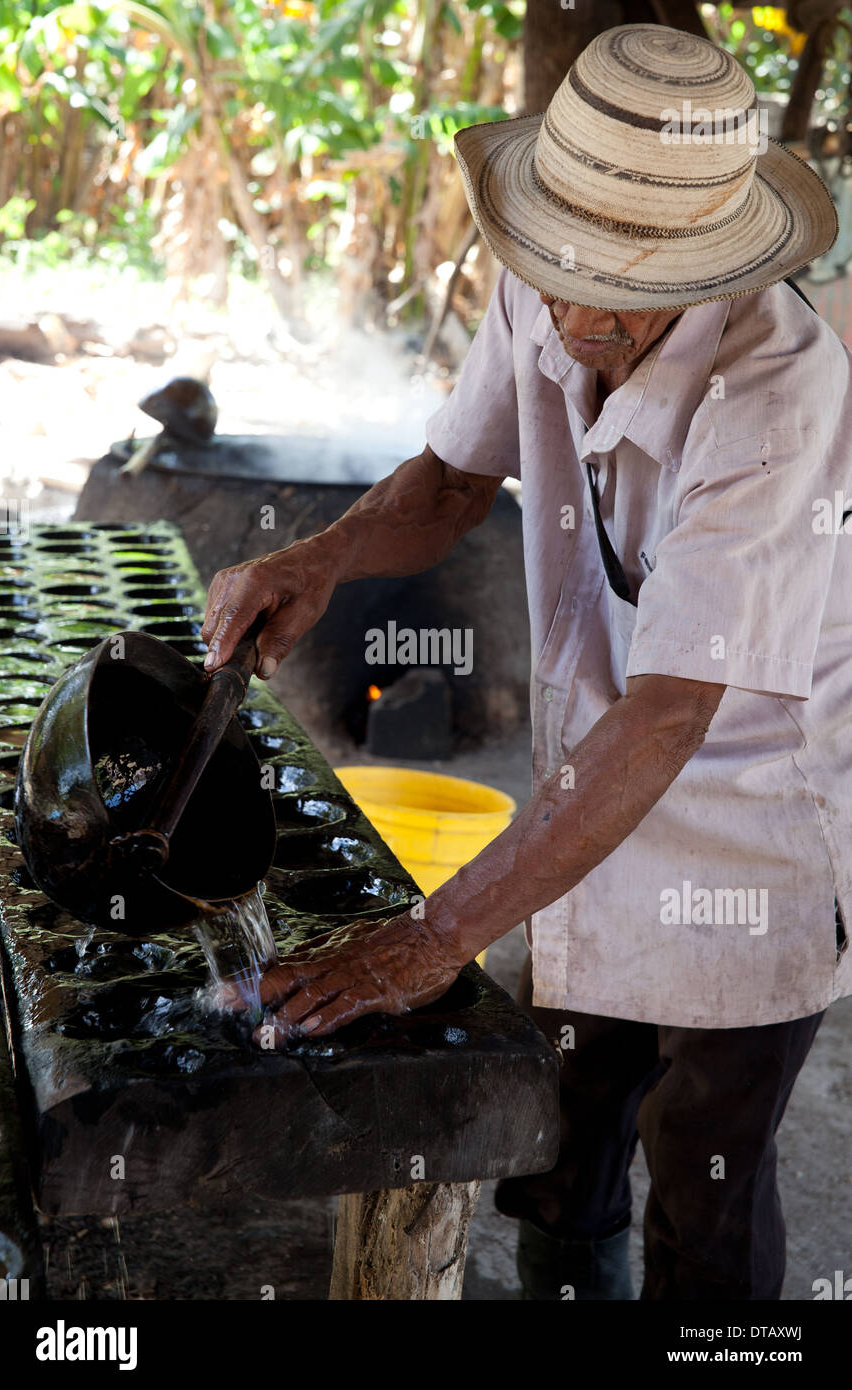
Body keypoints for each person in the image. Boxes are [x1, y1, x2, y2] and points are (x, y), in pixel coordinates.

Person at [202, 24, 852, 1300]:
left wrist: (433, 933)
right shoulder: (548, 279)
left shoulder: (779, 397)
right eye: (551, 272)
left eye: (607, 286)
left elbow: (667, 716)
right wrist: (319, 558)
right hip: (586, 795)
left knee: (705, 1174)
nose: (564, 311)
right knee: (558, 1133)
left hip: (747, 818)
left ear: (703, 266)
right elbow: (450, 479)